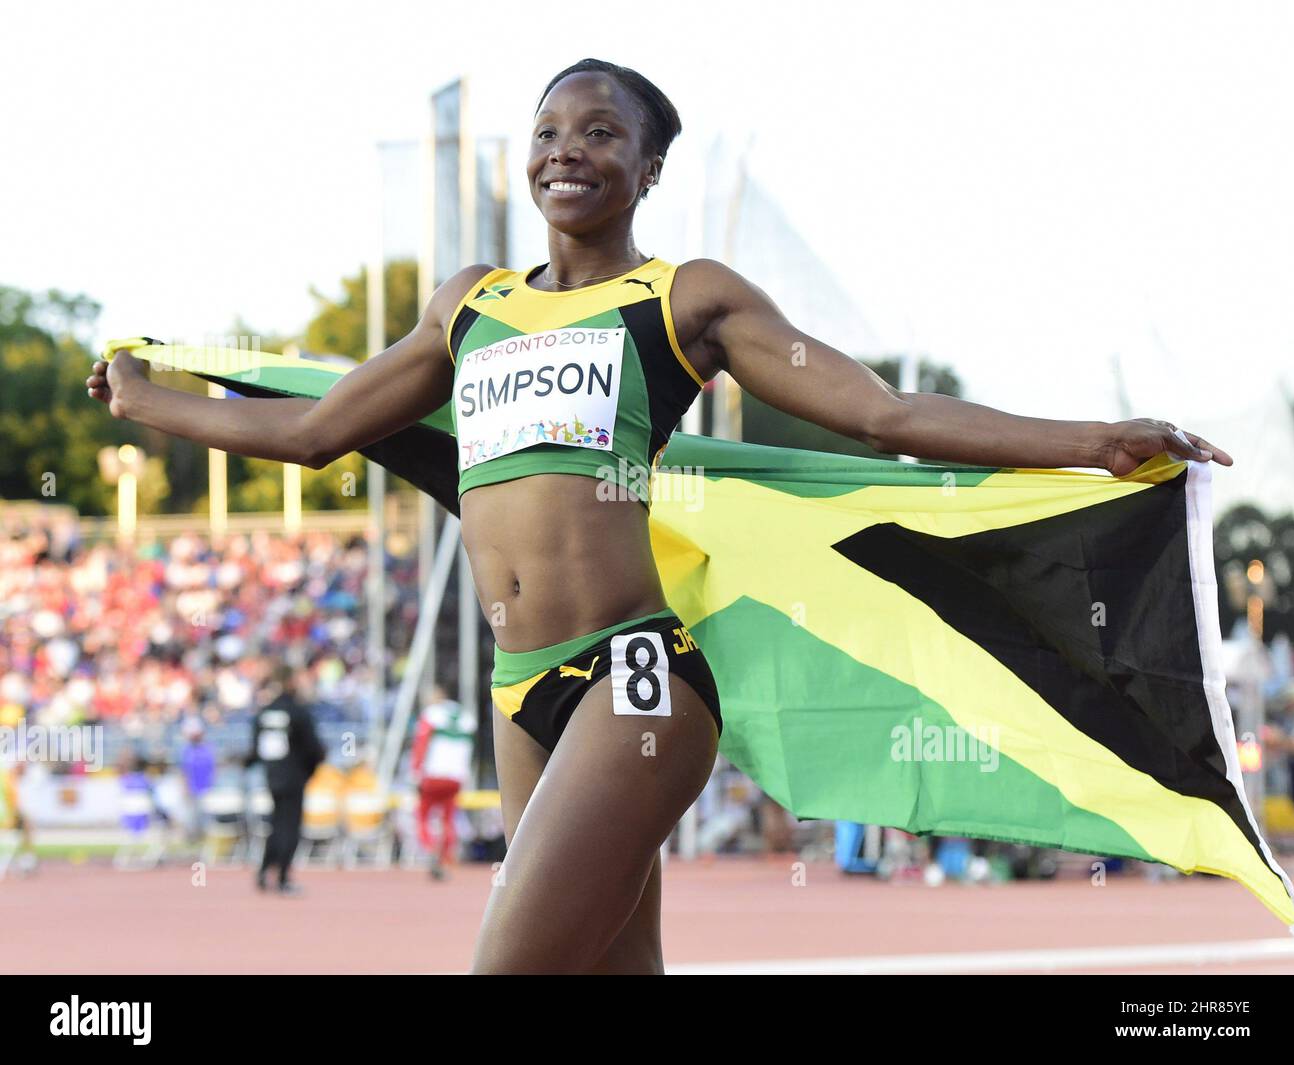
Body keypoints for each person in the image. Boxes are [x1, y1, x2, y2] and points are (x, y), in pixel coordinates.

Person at [86, 58, 1232, 973]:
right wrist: (149, 405)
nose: (563, 153)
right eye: (545, 133)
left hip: (633, 675)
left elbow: (882, 414)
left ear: (647, 168)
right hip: (519, 689)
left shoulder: (684, 299)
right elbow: (312, 430)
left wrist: (1088, 440)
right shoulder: (468, 308)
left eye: (596, 134)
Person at [244, 662, 325, 895]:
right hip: (294, 775)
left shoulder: (265, 711)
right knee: (289, 826)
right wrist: (308, 771)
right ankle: (282, 876)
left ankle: (264, 870)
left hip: (272, 776)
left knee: (276, 823)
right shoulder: (298, 711)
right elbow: (314, 749)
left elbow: (255, 750)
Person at [409, 686, 472, 879]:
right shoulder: (465, 717)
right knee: (448, 818)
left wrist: (416, 771)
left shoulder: (431, 715)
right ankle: (446, 856)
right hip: (456, 775)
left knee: (422, 815)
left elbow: (421, 744)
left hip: (434, 773)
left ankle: (429, 849)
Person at [177, 717, 215, 847]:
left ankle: (202, 843)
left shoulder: (207, 749)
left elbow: (214, 769)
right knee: (191, 819)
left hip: (206, 789)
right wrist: (184, 787)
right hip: (192, 790)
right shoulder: (186, 750)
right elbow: (183, 771)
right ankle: (192, 843)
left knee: (203, 820)